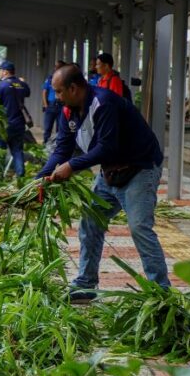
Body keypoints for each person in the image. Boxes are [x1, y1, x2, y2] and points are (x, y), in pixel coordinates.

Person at [40, 63, 169, 304]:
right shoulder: (68, 110)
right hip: (110, 172)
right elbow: (62, 150)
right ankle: (86, 284)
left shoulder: (104, 103)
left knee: (139, 227)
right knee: (90, 221)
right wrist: (40, 179)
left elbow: (107, 147)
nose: (55, 97)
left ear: (74, 88)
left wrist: (73, 166)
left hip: (139, 168)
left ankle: (161, 292)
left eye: (59, 92)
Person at [0, 59, 32, 177]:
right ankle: (20, 175)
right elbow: (27, 93)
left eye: (0, 71)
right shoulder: (22, 85)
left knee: (1, 150)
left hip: (4, 125)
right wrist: (22, 83)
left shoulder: (0, 86)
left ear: (5, 72)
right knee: (17, 150)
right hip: (19, 124)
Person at [41, 67, 59, 143]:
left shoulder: (64, 78)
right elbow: (44, 91)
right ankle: (45, 144)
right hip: (51, 105)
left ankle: (58, 145)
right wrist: (45, 105)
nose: (56, 68)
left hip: (61, 106)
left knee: (60, 128)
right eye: (56, 67)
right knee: (47, 127)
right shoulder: (50, 78)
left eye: (59, 67)